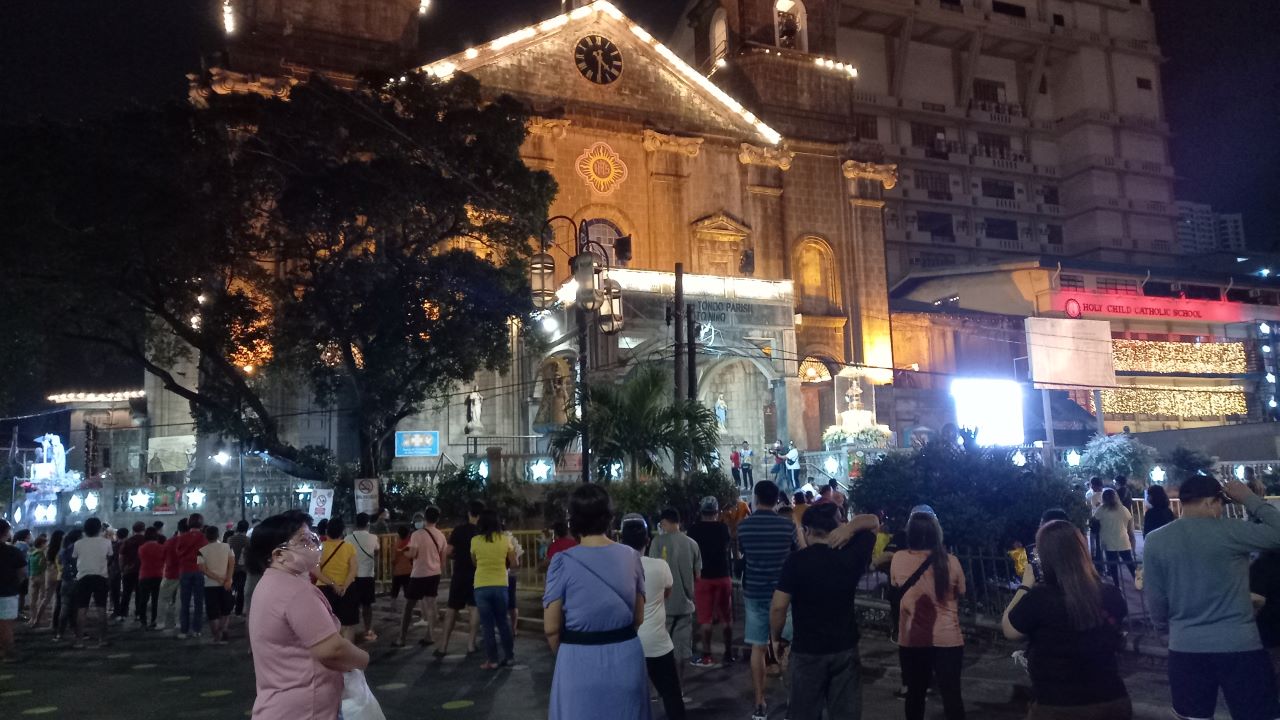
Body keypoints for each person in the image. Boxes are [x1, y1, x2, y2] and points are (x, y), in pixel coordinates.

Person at [1145, 475, 1280, 719]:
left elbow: (1155, 597)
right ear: (1210, 502)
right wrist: (1249, 498)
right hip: (1239, 644)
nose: (1221, 511)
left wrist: (1164, 631)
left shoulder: (1156, 540)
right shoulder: (1231, 531)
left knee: (1194, 716)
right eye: (1221, 504)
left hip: (1185, 645)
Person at [246, 510, 368, 719]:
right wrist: (364, 659)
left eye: (312, 537)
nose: (313, 544)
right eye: (303, 540)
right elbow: (332, 650)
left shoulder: (270, 582)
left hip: (280, 704)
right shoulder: (296, 591)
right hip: (305, 709)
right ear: (278, 555)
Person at [1002, 520, 1131, 719]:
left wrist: (1025, 586)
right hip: (1111, 701)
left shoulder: (1039, 599)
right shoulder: (1111, 594)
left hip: (1057, 705)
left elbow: (1009, 629)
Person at [544, 483, 648, 720]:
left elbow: (551, 628)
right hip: (626, 656)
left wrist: (568, 654)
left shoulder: (562, 561)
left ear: (573, 521)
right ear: (609, 518)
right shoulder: (631, 557)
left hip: (576, 659)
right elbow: (639, 617)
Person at [771, 503, 880, 720]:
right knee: (844, 713)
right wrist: (850, 528)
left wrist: (775, 638)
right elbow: (873, 522)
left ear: (807, 531)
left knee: (804, 713)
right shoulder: (851, 555)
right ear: (836, 527)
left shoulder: (796, 561)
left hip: (807, 650)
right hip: (844, 648)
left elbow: (778, 606)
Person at [891, 510, 966, 720]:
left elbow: (895, 584)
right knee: (952, 696)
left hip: (912, 640)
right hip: (948, 639)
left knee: (914, 695)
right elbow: (961, 592)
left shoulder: (898, 558)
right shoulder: (951, 562)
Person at [738, 480, 798, 720]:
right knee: (786, 646)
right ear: (776, 500)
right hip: (783, 594)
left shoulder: (744, 527)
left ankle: (760, 702)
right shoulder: (787, 526)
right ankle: (793, 702)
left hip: (755, 593)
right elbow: (797, 553)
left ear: (756, 498)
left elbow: (743, 554)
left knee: (758, 648)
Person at [623, 514, 685, 720]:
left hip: (628, 643)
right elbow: (667, 593)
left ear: (622, 540)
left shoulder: (617, 569)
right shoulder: (660, 566)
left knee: (630, 697)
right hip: (657, 643)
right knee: (671, 695)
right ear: (648, 540)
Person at [648, 508, 700, 683]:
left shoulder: (657, 542)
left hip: (662, 604)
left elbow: (652, 572)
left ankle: (662, 687)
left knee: (660, 650)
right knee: (681, 651)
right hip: (685, 605)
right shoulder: (692, 544)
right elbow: (698, 575)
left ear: (664, 523)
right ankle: (679, 688)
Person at [688, 496, 735, 666]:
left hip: (703, 578)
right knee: (726, 618)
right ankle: (728, 653)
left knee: (705, 619)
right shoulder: (723, 528)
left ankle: (706, 656)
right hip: (723, 576)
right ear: (716, 512)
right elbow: (727, 547)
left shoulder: (693, 530)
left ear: (701, 511)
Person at [471, 509, 516, 669]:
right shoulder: (505, 539)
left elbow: (475, 562)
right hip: (501, 584)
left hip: (481, 585)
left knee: (487, 625)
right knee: (503, 622)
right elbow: (514, 562)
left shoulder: (475, 540)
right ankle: (509, 657)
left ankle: (492, 660)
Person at [439, 500, 483, 657]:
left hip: (459, 573)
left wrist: (457, 556)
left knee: (452, 609)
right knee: (474, 608)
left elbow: (449, 551)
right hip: (477, 574)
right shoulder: (482, 532)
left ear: (469, 513)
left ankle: (443, 646)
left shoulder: (458, 530)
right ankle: (471, 645)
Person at [399, 508, 446, 648]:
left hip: (419, 573)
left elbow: (413, 554)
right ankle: (430, 635)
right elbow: (443, 558)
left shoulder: (417, 534)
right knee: (431, 605)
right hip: (435, 573)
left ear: (425, 518)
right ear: (438, 519)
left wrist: (404, 553)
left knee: (408, 606)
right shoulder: (441, 535)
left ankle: (401, 638)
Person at [314, 516, 358, 643]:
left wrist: (333, 585)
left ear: (327, 531)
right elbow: (353, 570)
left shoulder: (320, 548)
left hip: (324, 589)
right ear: (342, 531)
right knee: (348, 625)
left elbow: (316, 572)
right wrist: (344, 586)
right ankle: (347, 653)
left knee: (327, 626)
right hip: (347, 589)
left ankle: (331, 652)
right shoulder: (349, 547)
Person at [73, 517, 113, 648]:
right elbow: (109, 557)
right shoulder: (106, 542)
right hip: (100, 577)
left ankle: (79, 641)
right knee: (101, 609)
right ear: (99, 529)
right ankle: (103, 639)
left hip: (83, 577)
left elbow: (74, 559)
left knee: (81, 609)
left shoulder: (78, 543)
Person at [175, 513, 210, 639]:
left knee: (185, 602)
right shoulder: (204, 538)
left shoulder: (182, 537)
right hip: (199, 571)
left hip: (185, 570)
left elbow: (178, 553)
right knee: (198, 602)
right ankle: (197, 630)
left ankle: (184, 630)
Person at [197, 525, 234, 644]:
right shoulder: (227, 547)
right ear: (218, 535)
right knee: (226, 610)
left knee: (213, 613)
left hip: (210, 585)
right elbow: (232, 564)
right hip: (227, 584)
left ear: (206, 536)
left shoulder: (202, 550)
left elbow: (203, 569)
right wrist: (228, 579)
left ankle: (216, 637)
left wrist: (218, 579)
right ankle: (224, 631)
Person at [346, 512, 380, 642]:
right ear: (368, 524)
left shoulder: (348, 538)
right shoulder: (373, 538)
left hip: (352, 576)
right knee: (367, 605)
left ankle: (350, 632)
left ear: (356, 524)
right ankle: (368, 630)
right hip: (367, 576)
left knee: (352, 605)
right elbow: (376, 552)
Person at [1094, 489, 1137, 586]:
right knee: (1130, 563)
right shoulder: (1123, 509)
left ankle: (1117, 585)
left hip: (1108, 542)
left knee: (1113, 565)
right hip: (1123, 540)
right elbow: (1129, 522)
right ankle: (1138, 582)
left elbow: (1094, 520)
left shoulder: (1101, 510)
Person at [0, 519, 27, 662]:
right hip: (7, 591)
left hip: (7, 591)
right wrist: (16, 583)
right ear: (5, 533)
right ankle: (8, 654)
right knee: (6, 625)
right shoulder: (13, 551)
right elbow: (22, 573)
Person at [158, 518, 187, 631]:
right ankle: (179, 622)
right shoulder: (190, 542)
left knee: (163, 599)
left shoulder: (169, 542)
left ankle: (161, 623)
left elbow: (162, 557)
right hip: (185, 573)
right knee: (181, 600)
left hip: (170, 573)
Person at [30, 530, 61, 629]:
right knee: (56, 600)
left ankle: (36, 620)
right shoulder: (61, 549)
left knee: (45, 599)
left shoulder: (47, 549)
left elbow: (44, 562)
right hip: (59, 575)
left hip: (49, 575)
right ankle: (53, 623)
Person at [54, 529, 81, 642]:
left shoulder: (63, 550)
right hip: (76, 580)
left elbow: (60, 564)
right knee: (75, 608)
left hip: (64, 580)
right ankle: (76, 632)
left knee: (65, 607)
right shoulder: (77, 549)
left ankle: (60, 633)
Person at [117, 521, 146, 625]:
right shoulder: (145, 540)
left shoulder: (128, 541)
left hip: (128, 570)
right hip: (142, 570)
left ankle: (122, 614)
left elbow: (121, 556)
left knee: (126, 593)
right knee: (140, 593)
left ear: (133, 530)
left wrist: (122, 569)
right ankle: (138, 614)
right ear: (144, 529)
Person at [136, 528, 164, 629]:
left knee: (143, 599)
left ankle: (143, 621)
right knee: (156, 600)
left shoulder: (141, 548)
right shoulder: (162, 547)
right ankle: (154, 620)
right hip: (158, 575)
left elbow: (140, 560)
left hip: (144, 575)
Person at [24, 535, 48, 631]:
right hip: (41, 577)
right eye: (45, 543)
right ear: (41, 544)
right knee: (41, 599)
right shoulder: (42, 554)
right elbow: (42, 565)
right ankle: (38, 619)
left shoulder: (32, 554)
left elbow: (29, 566)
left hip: (32, 577)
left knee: (32, 599)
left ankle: (32, 618)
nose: (46, 545)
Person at [227, 520, 250, 617]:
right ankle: (238, 611)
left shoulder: (230, 539)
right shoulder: (248, 540)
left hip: (231, 567)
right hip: (242, 569)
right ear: (247, 529)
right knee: (241, 590)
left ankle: (229, 608)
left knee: (231, 589)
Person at [390, 525, 412, 613]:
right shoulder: (410, 544)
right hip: (408, 570)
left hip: (398, 571)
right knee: (408, 591)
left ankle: (393, 607)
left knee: (395, 590)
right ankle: (407, 608)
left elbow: (393, 560)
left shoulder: (396, 545)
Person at [1085, 477, 1105, 561]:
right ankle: (1094, 556)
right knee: (1094, 538)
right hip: (1094, 519)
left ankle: (1099, 555)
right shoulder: (1089, 494)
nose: (1092, 487)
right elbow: (1089, 508)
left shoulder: (1104, 493)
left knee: (1100, 539)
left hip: (1103, 519)